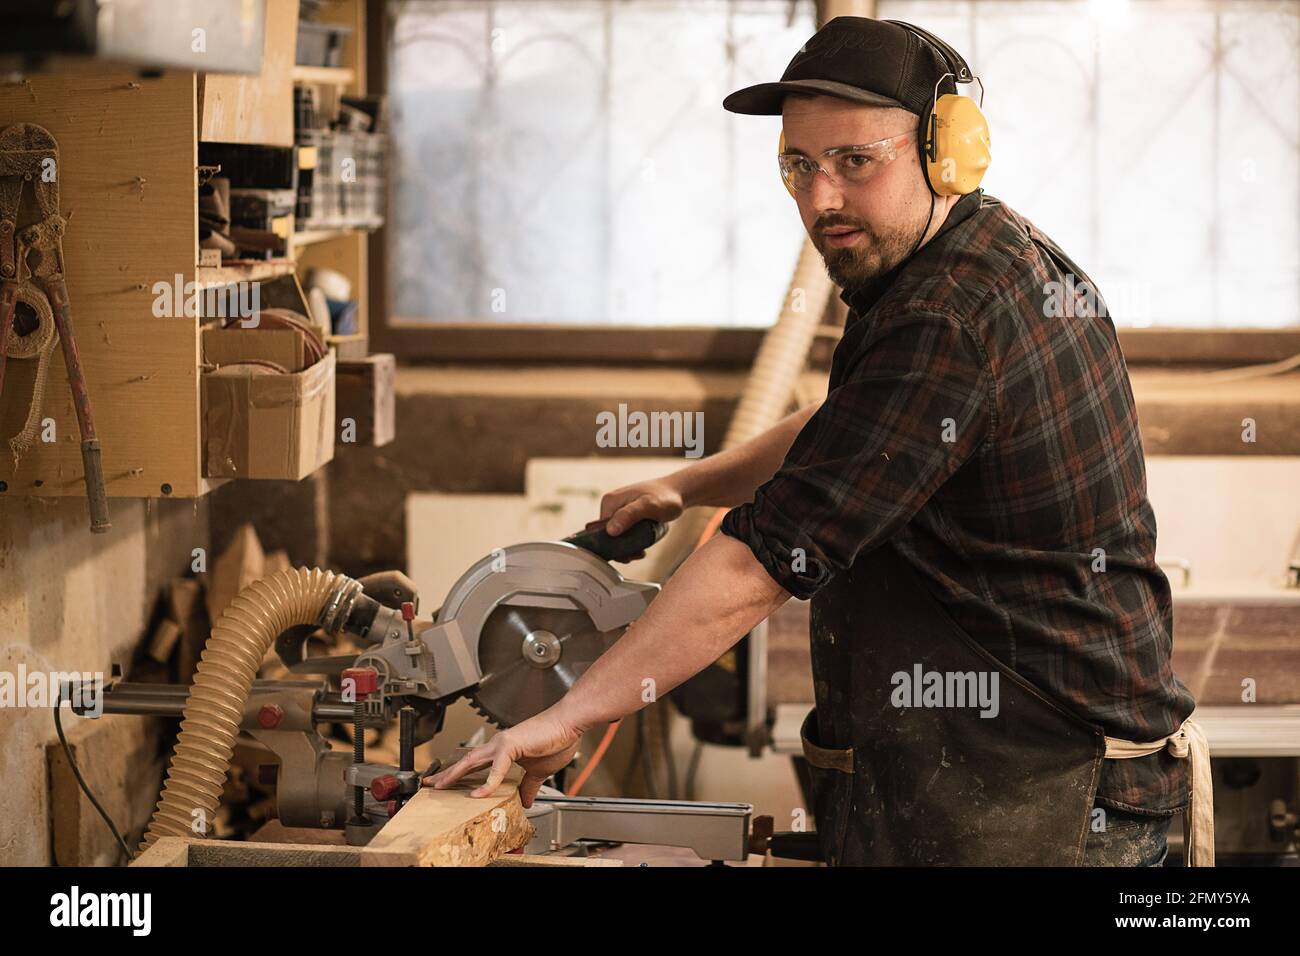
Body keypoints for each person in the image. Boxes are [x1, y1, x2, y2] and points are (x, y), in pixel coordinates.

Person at [428, 15, 1210, 866]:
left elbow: (754, 567)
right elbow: (863, 422)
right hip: (1014, 765)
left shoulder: (944, 317)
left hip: (1040, 792)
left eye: (854, 162)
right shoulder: (983, 250)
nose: (820, 198)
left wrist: (568, 713)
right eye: (798, 166)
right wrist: (691, 486)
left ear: (947, 152)